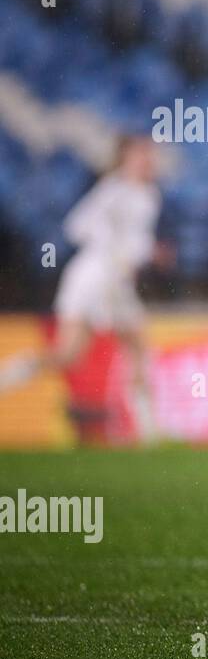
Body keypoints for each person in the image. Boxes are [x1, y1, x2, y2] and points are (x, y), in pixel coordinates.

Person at [0, 134, 165, 442]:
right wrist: (116, 248)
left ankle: (149, 431)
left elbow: (132, 241)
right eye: (141, 154)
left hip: (108, 279)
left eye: (149, 154)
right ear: (125, 158)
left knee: (78, 352)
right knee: (118, 347)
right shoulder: (115, 191)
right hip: (94, 277)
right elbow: (77, 226)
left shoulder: (144, 194)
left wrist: (141, 250)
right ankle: (149, 432)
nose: (147, 160)